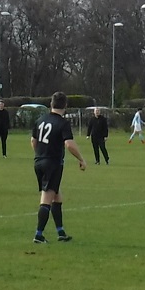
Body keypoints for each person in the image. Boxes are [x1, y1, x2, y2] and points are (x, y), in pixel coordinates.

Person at [30, 90, 86, 243]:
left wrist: (41, 154)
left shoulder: (40, 119)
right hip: (52, 164)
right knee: (47, 197)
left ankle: (60, 232)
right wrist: (81, 159)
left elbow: (33, 141)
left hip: (38, 162)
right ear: (65, 105)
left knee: (57, 195)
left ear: (51, 104)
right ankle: (38, 235)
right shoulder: (62, 123)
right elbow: (69, 144)